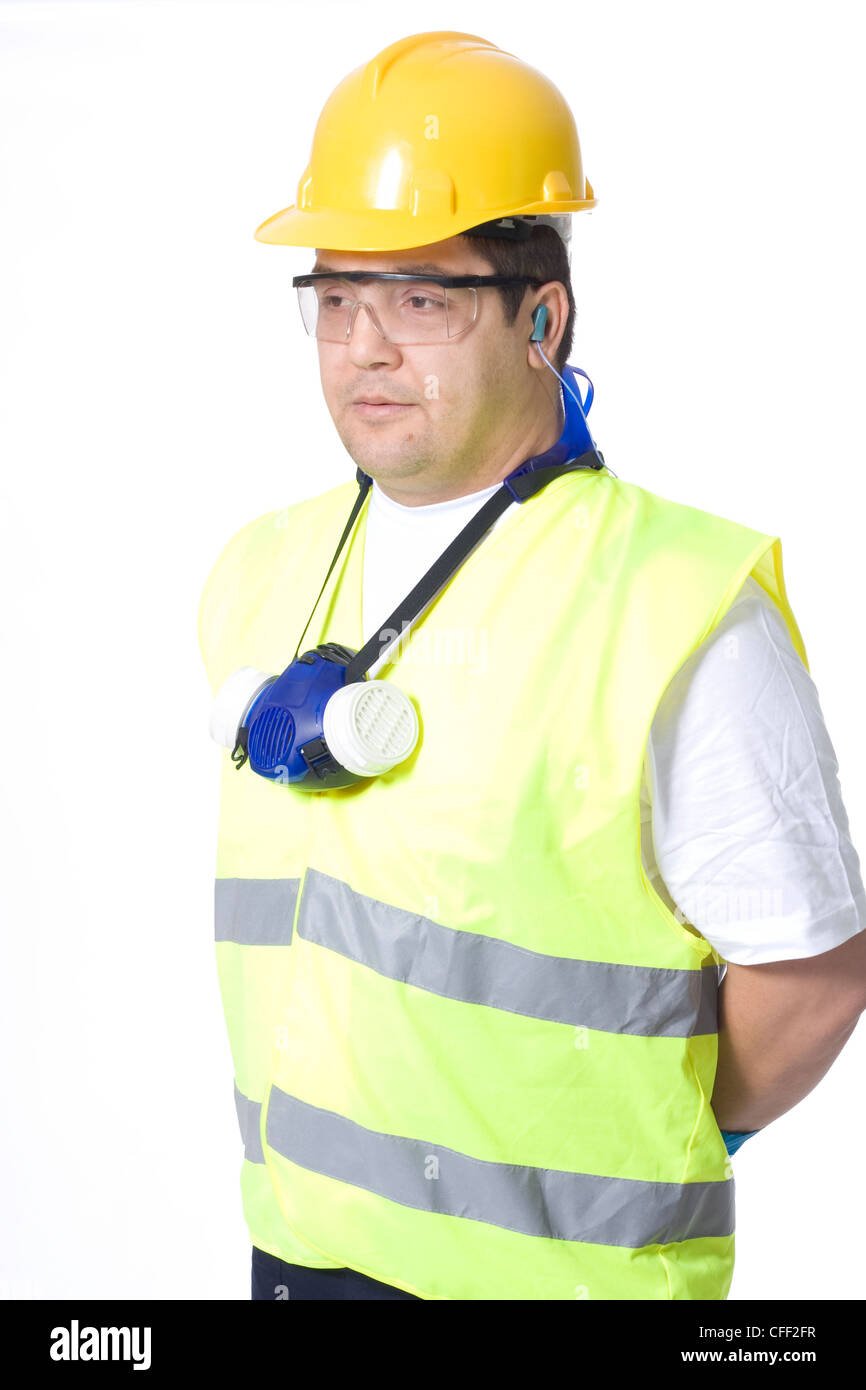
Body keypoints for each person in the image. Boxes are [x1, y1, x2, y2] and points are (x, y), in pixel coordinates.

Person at [198, 31, 866, 1301]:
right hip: (293, 1264)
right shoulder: (261, 572)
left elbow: (814, 975)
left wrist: (636, 1129)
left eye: (420, 298)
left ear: (539, 318)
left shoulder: (674, 605)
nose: (363, 348)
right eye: (333, 298)